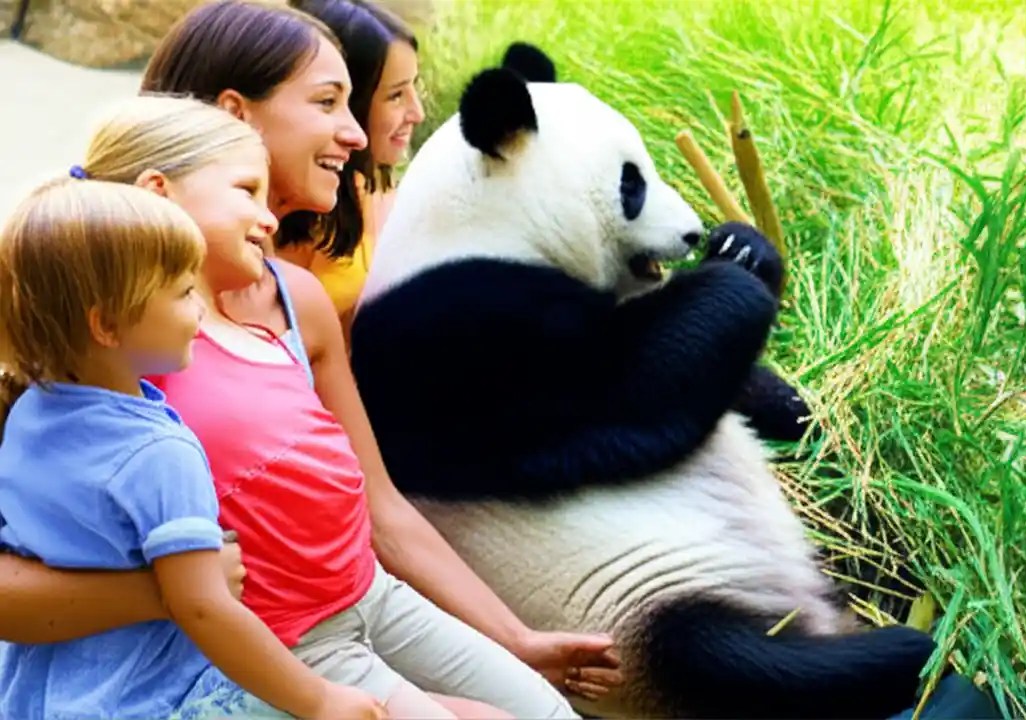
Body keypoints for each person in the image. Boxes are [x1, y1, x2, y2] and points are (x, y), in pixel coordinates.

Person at [140, 0, 621, 704]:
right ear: (236, 113)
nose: (356, 131)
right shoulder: (116, 321)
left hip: (364, 593)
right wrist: (174, 592)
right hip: (255, 653)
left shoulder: (297, 298)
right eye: (330, 102)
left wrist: (513, 638)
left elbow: (379, 503)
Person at [0, 174, 383, 719]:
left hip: (47, 695)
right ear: (107, 324)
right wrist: (320, 699)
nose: (200, 310)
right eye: (183, 292)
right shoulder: (158, 452)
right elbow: (204, 607)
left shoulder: (33, 411)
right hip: (160, 698)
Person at [276, 0, 426, 342]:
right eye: (395, 96)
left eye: (415, 88)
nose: (416, 112)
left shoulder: (371, 189)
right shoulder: (294, 206)